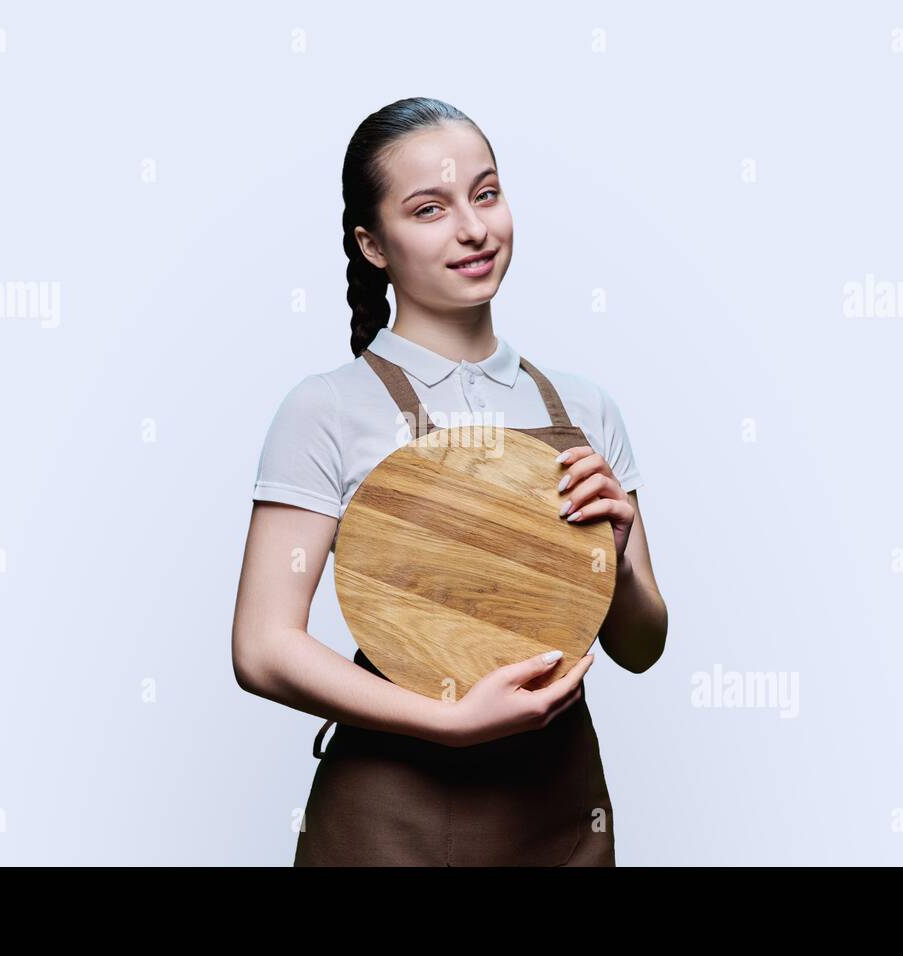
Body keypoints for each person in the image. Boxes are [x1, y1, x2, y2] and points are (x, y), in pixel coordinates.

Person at [231, 97, 668, 866]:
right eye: (429, 209)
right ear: (372, 244)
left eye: (486, 193)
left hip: (561, 809)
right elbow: (263, 647)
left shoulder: (584, 408)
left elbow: (640, 646)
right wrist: (450, 723)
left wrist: (620, 553)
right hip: (389, 813)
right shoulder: (327, 409)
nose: (473, 229)